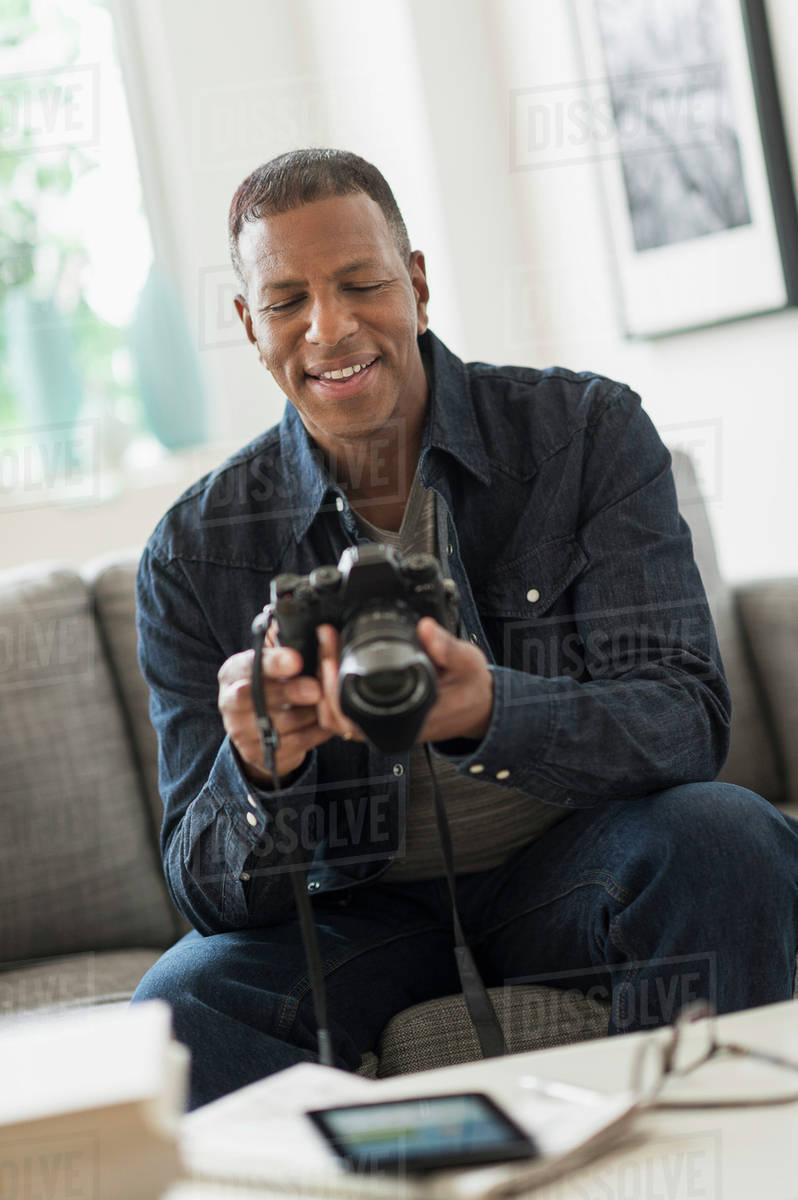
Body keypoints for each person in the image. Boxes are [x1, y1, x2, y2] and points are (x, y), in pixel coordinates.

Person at [132, 148, 798, 1110]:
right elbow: (203, 893)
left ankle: (700, 1158)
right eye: (286, 303)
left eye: (363, 283)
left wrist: (494, 707)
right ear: (248, 324)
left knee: (729, 837)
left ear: (418, 286)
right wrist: (258, 768)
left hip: (574, 865)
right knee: (174, 1011)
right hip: (361, 915)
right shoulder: (194, 553)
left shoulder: (585, 435)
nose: (329, 328)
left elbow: (687, 718)